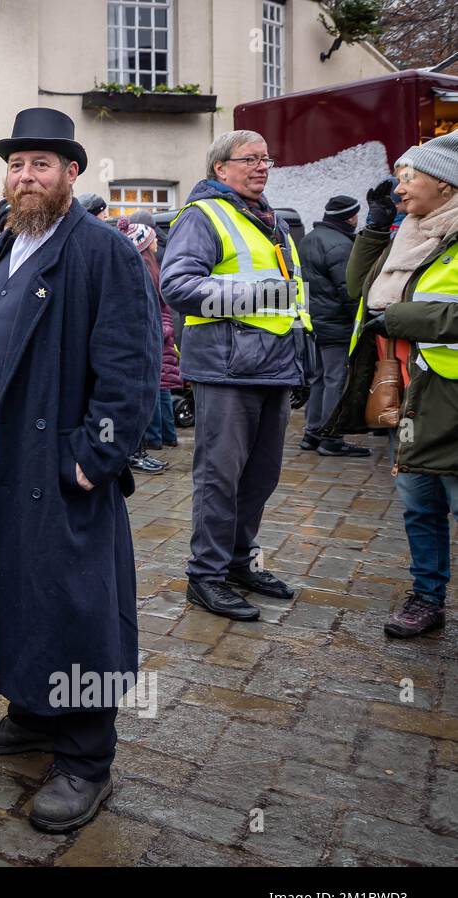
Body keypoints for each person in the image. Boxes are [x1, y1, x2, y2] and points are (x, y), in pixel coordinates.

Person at [0, 108, 158, 833]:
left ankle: (84, 757)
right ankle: (35, 713)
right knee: (18, 589)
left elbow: (131, 369)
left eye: (42, 164)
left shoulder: (104, 252)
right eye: (16, 164)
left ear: (72, 174)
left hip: (60, 462)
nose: (26, 176)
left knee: (77, 605)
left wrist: (92, 459)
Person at [160, 130, 312, 622]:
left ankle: (238, 563)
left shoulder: (271, 220)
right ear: (220, 168)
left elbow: (293, 299)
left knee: (260, 477)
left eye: (266, 159)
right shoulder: (203, 216)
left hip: (273, 367)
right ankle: (205, 577)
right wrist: (256, 299)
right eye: (250, 159)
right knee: (219, 477)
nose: (261, 167)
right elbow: (178, 285)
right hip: (226, 369)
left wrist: (302, 360)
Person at [325, 131, 458, 639]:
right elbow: (360, 289)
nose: (399, 190)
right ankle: (428, 597)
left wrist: (403, 319)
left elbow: (397, 310)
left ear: (446, 185)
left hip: (449, 397)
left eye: (410, 179)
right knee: (419, 505)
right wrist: (376, 229)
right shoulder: (410, 233)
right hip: (403, 393)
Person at [298, 196, 371, 457]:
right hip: (336, 324)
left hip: (313, 322)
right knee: (335, 380)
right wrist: (361, 324)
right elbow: (348, 289)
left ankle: (312, 432)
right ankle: (331, 438)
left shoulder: (309, 239)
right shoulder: (340, 244)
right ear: (350, 217)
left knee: (319, 377)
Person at [117, 217, 180, 453]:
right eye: (152, 239)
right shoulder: (151, 267)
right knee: (162, 387)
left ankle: (155, 438)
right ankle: (167, 435)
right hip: (164, 334)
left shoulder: (145, 268)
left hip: (155, 334)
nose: (156, 243)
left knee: (155, 388)